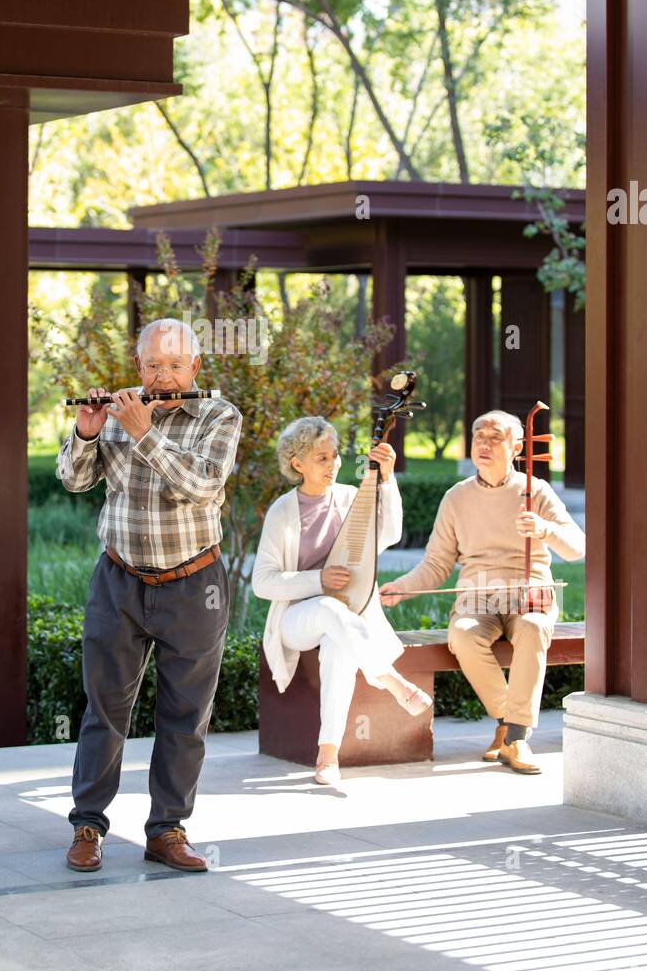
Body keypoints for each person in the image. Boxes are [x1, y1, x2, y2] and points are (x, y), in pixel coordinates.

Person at [56, 317, 242, 872]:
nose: (164, 377)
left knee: (187, 713)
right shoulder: (118, 410)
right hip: (119, 578)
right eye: (154, 365)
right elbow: (73, 480)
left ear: (195, 368)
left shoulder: (219, 414)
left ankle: (167, 829)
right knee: (104, 710)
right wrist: (89, 430)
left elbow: (201, 487)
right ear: (138, 366)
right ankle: (88, 824)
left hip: (193, 583)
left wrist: (144, 432)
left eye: (175, 365)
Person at [379, 409, 586, 774]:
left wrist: (543, 530)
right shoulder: (456, 497)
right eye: (478, 437)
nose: (484, 444)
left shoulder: (535, 491)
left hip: (529, 594)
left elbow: (576, 548)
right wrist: (402, 589)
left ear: (517, 447)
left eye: (495, 438)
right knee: (462, 634)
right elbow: (436, 565)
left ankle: (515, 737)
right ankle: (511, 725)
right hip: (477, 597)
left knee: (534, 628)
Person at [252, 416, 432, 786]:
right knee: (327, 607)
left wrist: (387, 477)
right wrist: (317, 579)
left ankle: (328, 754)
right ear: (297, 463)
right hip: (295, 620)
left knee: (339, 647)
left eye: (334, 455)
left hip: (347, 617)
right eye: (321, 458)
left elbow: (389, 534)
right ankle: (392, 680)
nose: (333, 464)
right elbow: (262, 583)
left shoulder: (351, 497)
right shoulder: (282, 511)